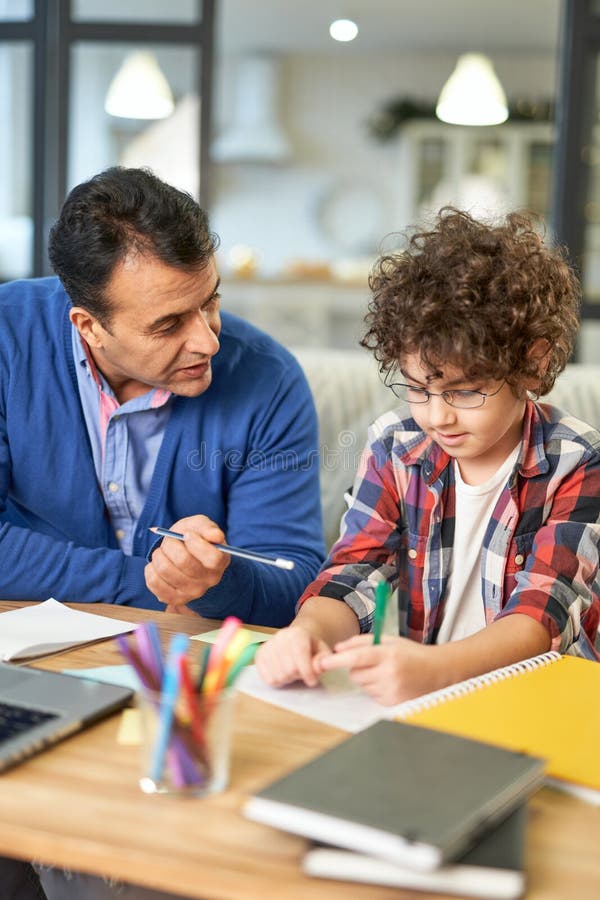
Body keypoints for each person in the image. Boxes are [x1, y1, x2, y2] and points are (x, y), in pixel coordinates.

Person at [256, 207, 600, 705]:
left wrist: (435, 669)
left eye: (464, 392)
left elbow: (541, 613)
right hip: (431, 696)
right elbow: (355, 570)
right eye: (418, 389)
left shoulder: (578, 462)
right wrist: (307, 631)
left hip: (545, 701)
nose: (437, 416)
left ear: (533, 362)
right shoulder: (395, 448)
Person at [0, 166, 324, 626]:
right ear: (88, 327)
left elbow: (294, 577)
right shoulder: (8, 338)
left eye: (210, 301)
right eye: (169, 325)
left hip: (184, 658)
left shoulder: (269, 380)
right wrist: (146, 582)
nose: (208, 342)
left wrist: (214, 584)